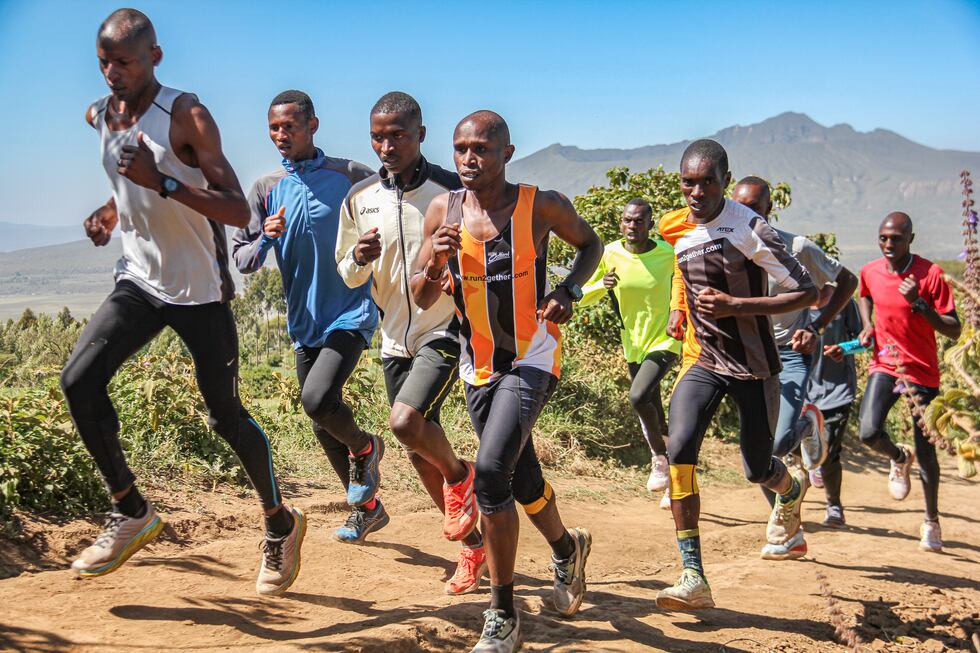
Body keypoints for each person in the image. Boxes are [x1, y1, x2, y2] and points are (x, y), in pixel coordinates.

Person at [62, 9, 303, 596]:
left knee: (224, 414)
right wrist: (111, 211)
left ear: (155, 58)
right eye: (104, 62)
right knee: (79, 381)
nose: (113, 73)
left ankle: (280, 523)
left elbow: (236, 208)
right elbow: (130, 185)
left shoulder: (186, 113)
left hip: (200, 289)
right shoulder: (99, 114)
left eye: (125, 61)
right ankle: (131, 510)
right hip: (140, 280)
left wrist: (163, 182)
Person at [412, 111, 602, 652]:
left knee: (492, 474)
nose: (470, 160)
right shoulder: (441, 212)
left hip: (531, 358)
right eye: (461, 150)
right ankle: (567, 550)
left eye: (482, 150)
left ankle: (502, 614)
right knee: (519, 479)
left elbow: (590, 247)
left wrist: (567, 291)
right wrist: (436, 260)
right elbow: (424, 298)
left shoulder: (539, 205)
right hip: (478, 366)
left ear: (507, 153)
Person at [334, 92, 486, 593]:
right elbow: (349, 274)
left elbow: (490, 246)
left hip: (444, 329)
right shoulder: (359, 198)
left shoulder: (452, 190)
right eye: (378, 135)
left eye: (397, 134)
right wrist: (357, 255)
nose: (386, 144)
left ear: (421, 135)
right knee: (418, 450)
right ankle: (473, 547)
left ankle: (461, 476)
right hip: (392, 339)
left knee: (405, 422)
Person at [657, 139, 817, 610]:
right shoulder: (676, 228)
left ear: (725, 181)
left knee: (755, 468)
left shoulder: (750, 228)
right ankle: (693, 576)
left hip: (754, 367)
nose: (697, 191)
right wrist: (678, 309)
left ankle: (790, 489)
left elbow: (806, 292)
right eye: (689, 182)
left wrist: (737, 306)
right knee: (678, 449)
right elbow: (682, 278)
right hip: (705, 361)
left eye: (708, 182)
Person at [232, 90, 383, 543]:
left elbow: (395, 202)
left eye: (290, 127)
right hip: (305, 321)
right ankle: (367, 508)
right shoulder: (264, 187)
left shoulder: (351, 175)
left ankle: (365, 447)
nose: (281, 135)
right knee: (320, 421)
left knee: (317, 400)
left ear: (312, 125)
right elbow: (242, 258)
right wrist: (265, 239)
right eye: (274, 129)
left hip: (352, 310)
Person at [731, 176, 858, 561]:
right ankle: (790, 531)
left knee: (778, 443)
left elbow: (847, 281)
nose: (744, 214)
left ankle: (807, 423)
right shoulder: (726, 247)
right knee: (756, 457)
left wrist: (815, 328)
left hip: (789, 355)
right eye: (738, 206)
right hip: (749, 359)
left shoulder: (796, 247)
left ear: (769, 210)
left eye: (754, 207)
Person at [857, 212, 960, 552]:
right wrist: (868, 324)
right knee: (869, 432)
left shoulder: (931, 275)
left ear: (910, 240)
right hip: (886, 364)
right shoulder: (871, 270)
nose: (889, 244)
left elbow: (953, 328)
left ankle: (931, 522)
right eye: (883, 237)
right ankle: (899, 457)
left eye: (896, 239)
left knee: (927, 449)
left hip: (921, 371)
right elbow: (865, 293)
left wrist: (919, 302)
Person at [579, 198, 680, 505]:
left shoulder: (668, 254)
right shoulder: (610, 253)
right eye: (627, 220)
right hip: (632, 344)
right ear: (620, 223)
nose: (632, 226)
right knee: (655, 408)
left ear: (650, 225)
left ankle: (659, 459)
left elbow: (684, 288)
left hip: (665, 341)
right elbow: (580, 295)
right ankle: (675, 479)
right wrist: (602, 285)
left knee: (638, 396)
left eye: (639, 221)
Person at [806, 291, 862, 529]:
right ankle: (811, 460)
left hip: (838, 389)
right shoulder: (791, 299)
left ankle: (834, 505)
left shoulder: (844, 302)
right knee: (793, 445)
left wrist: (844, 348)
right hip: (802, 388)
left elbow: (864, 340)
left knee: (829, 451)